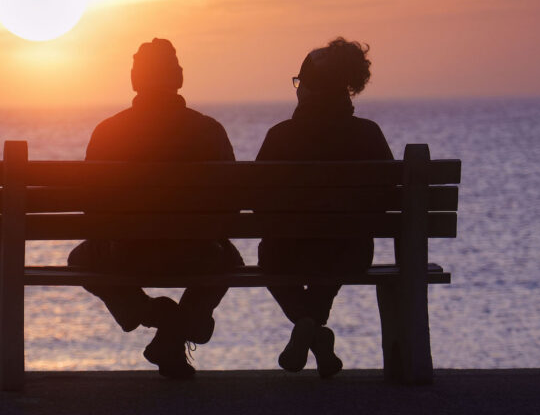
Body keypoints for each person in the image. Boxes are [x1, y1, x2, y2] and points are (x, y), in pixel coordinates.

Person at [68, 38, 242, 379]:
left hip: (127, 256)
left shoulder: (108, 133)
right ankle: (185, 322)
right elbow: (232, 206)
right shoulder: (209, 131)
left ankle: (156, 315)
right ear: (178, 78)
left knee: (79, 259)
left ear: (135, 81)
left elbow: (90, 207)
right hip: (197, 255)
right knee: (232, 260)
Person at [256, 37, 393, 378]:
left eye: (299, 82)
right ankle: (315, 330)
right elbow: (388, 200)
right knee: (337, 254)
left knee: (268, 259)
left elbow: (254, 203)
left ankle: (307, 323)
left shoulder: (280, 136)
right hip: (350, 253)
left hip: (285, 254)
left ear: (307, 89)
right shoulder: (368, 135)